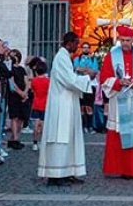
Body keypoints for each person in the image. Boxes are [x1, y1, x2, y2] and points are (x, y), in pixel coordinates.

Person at [100, 24, 133, 178]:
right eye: (122, 40)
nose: (125, 43)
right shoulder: (111, 56)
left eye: (128, 40)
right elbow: (104, 77)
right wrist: (118, 82)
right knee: (121, 132)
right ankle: (123, 169)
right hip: (119, 100)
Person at [38, 32, 93, 184]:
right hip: (61, 104)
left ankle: (68, 170)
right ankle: (56, 174)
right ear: (69, 43)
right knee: (60, 138)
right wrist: (89, 78)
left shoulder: (65, 57)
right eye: (76, 43)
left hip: (69, 102)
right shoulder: (61, 57)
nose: (77, 46)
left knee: (70, 137)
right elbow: (69, 80)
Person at [6, 49, 31, 149]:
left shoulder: (21, 69)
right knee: (14, 117)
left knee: (21, 118)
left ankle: (14, 138)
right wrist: (21, 93)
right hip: (14, 96)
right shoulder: (10, 69)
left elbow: (26, 81)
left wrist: (25, 92)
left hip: (23, 96)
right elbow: (12, 83)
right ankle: (15, 139)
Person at [29, 59, 49, 150]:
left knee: (36, 125)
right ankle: (42, 142)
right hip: (45, 104)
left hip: (36, 104)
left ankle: (35, 143)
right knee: (43, 125)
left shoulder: (34, 80)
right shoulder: (48, 81)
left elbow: (32, 90)